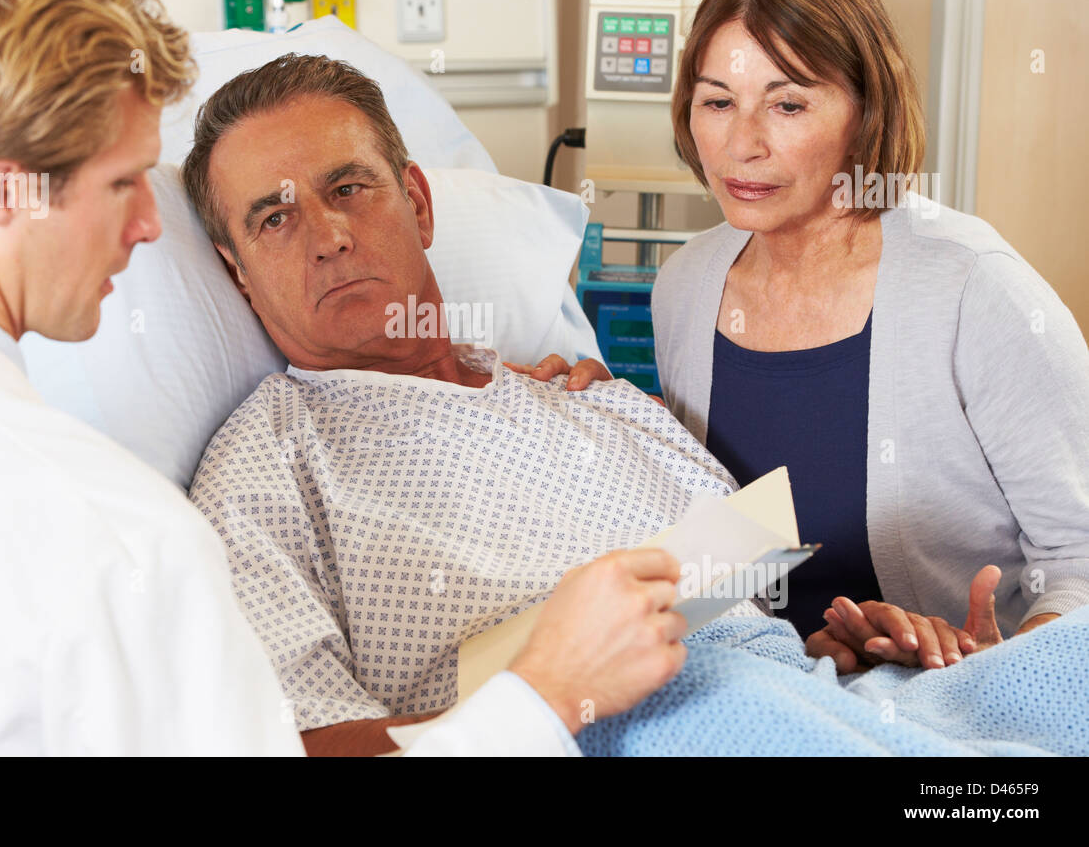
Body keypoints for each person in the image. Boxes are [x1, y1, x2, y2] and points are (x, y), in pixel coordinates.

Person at [0, 0, 685, 757]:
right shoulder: (122, 536)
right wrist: (548, 693)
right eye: (121, 184)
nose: (148, 227)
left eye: (349, 189)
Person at [178, 53, 1034, 757]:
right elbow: (304, 746)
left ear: (419, 202)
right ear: (235, 271)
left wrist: (845, 650)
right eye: (274, 218)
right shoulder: (265, 472)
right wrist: (547, 695)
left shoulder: (592, 399)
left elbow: (756, 624)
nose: (327, 234)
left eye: (349, 188)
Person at [650, 0, 1089, 670]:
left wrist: (1002, 665)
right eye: (718, 101)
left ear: (865, 110)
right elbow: (720, 548)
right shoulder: (685, 289)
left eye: (788, 103)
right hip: (766, 687)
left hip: (958, 704)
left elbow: (1080, 552)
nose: (742, 144)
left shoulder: (975, 291)